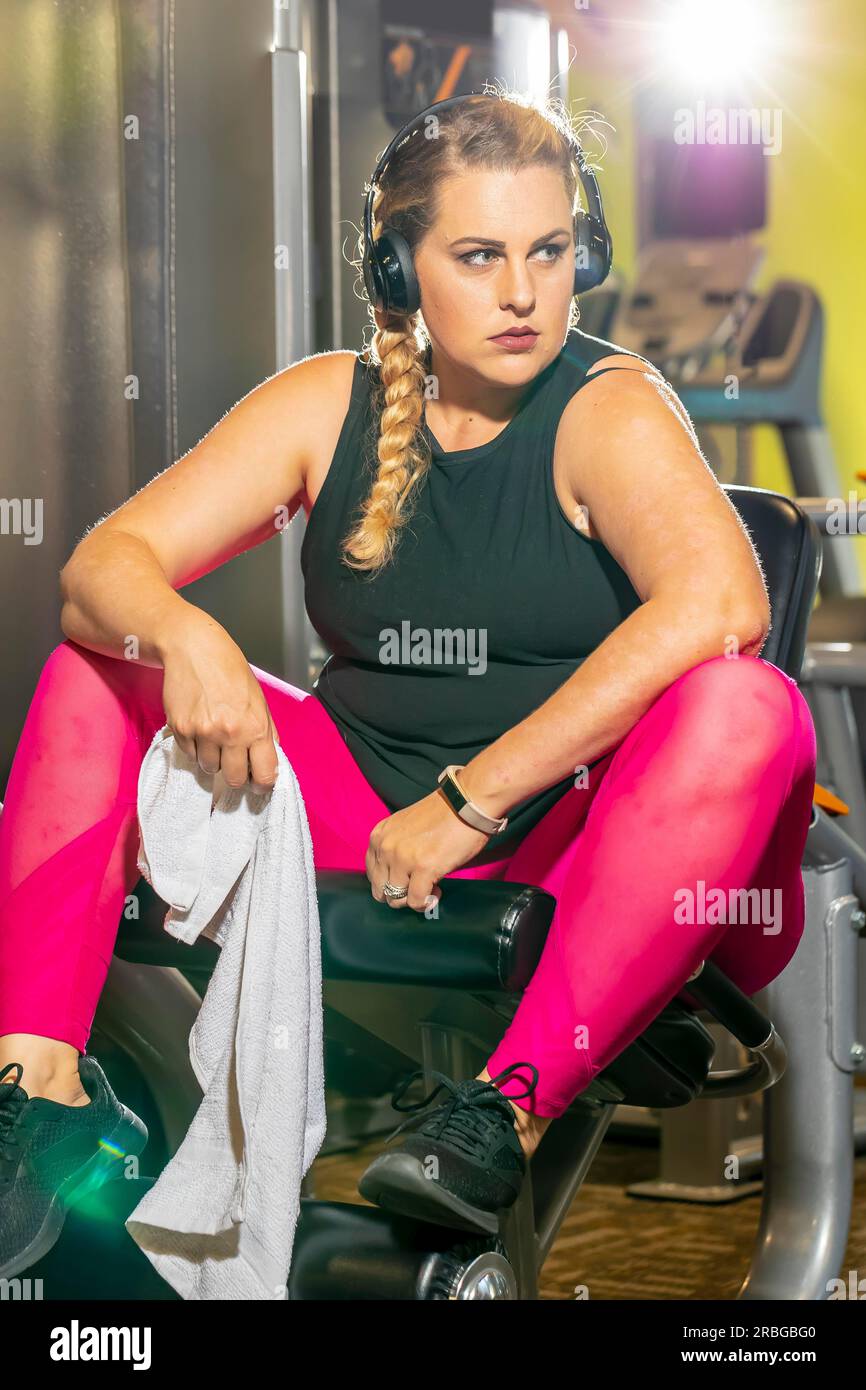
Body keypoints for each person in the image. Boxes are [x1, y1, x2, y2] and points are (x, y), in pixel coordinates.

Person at [0, 89, 817, 1266]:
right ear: (397, 271)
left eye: (548, 252)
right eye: (478, 256)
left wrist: (468, 799)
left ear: (582, 255)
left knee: (746, 700)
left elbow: (720, 605)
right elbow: (100, 570)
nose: (522, 292)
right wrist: (188, 639)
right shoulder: (328, 402)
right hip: (371, 817)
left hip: (592, 840)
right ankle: (42, 1094)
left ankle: (502, 1114)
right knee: (97, 666)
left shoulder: (608, 407)